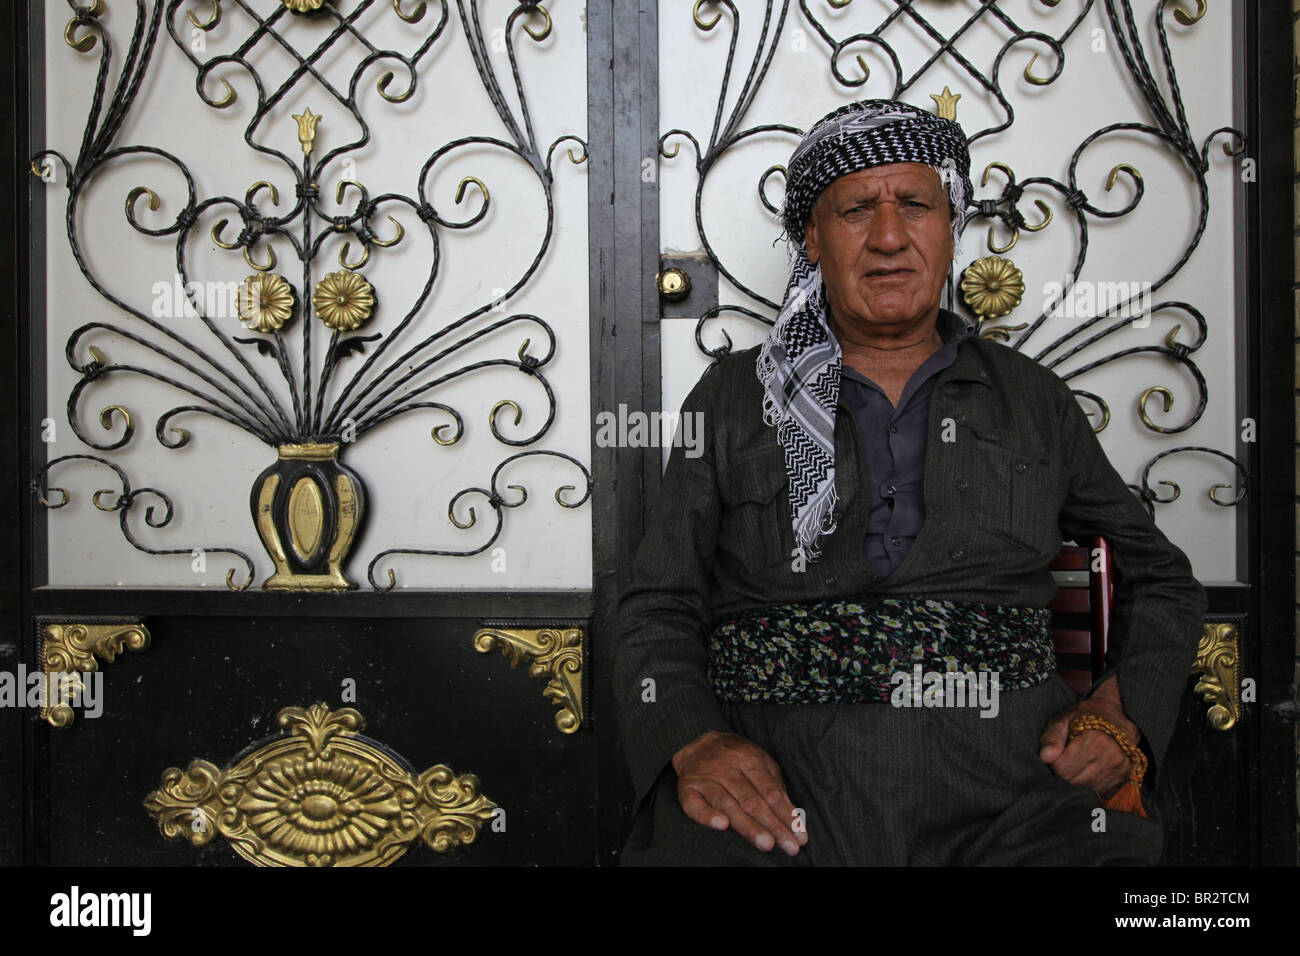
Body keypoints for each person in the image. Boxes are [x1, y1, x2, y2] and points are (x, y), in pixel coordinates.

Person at [612, 99, 1208, 866]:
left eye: (917, 207)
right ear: (813, 238)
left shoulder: (1032, 399)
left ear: (951, 227)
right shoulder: (732, 397)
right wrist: (695, 743)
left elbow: (1165, 580)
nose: (889, 238)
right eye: (857, 209)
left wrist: (1121, 713)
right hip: (778, 781)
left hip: (1011, 789)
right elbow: (658, 604)